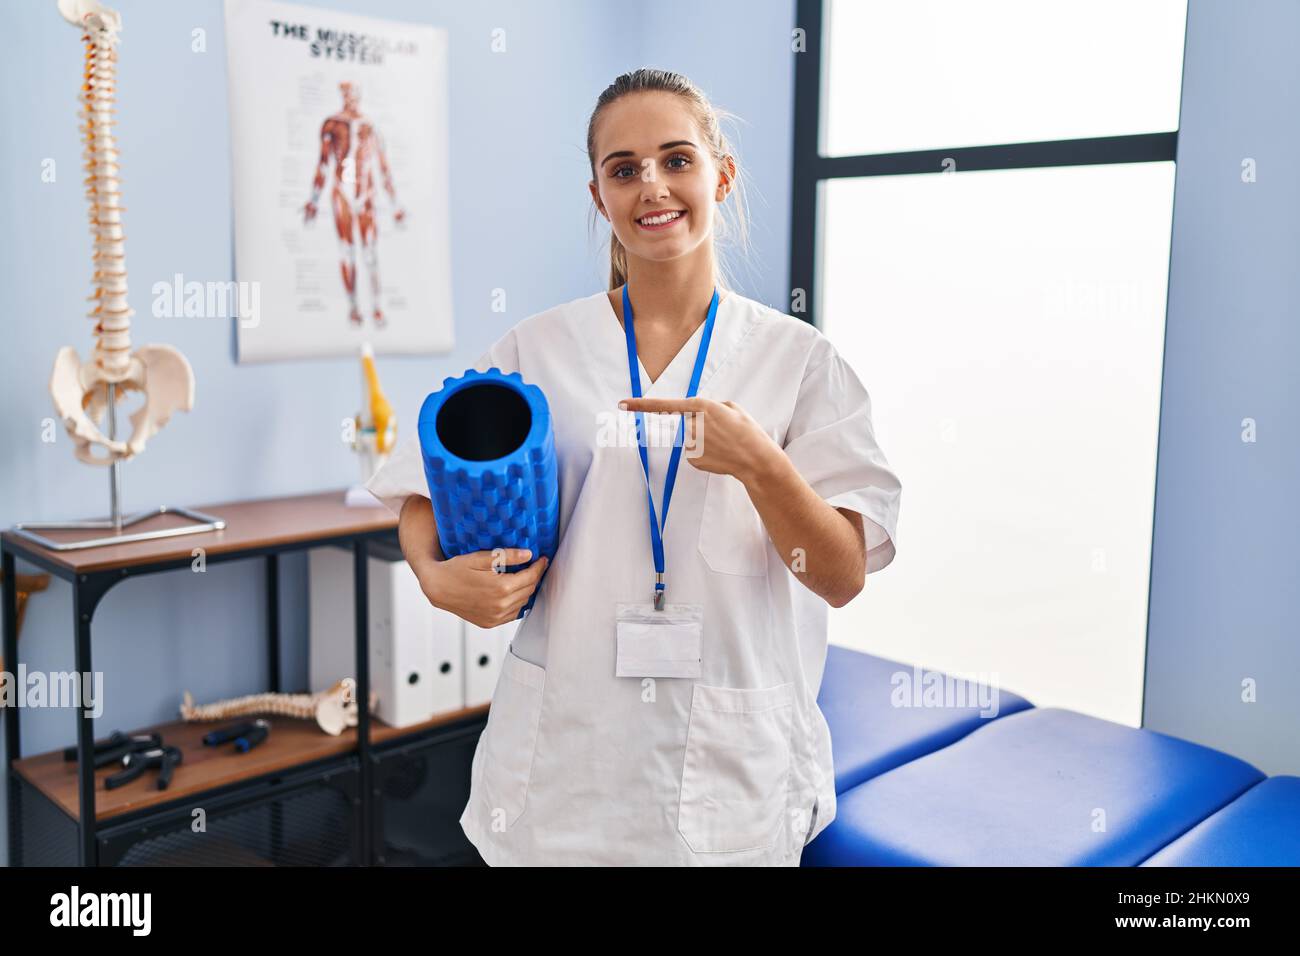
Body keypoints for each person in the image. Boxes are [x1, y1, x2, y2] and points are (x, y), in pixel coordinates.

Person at [366, 68, 901, 866]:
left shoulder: (799, 364)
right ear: (599, 196)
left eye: (676, 159)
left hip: (730, 762)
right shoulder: (537, 349)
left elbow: (840, 575)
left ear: (720, 175)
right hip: (567, 759)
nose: (652, 185)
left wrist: (761, 464)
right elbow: (423, 485)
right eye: (624, 169)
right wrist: (433, 576)